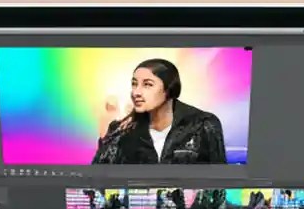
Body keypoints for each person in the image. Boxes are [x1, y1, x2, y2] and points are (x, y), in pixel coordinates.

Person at [92, 59, 228, 164]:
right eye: (134, 84)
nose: (136, 92)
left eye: (147, 84)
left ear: (169, 89)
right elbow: (95, 182)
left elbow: (220, 183)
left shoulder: (203, 124)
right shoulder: (120, 130)